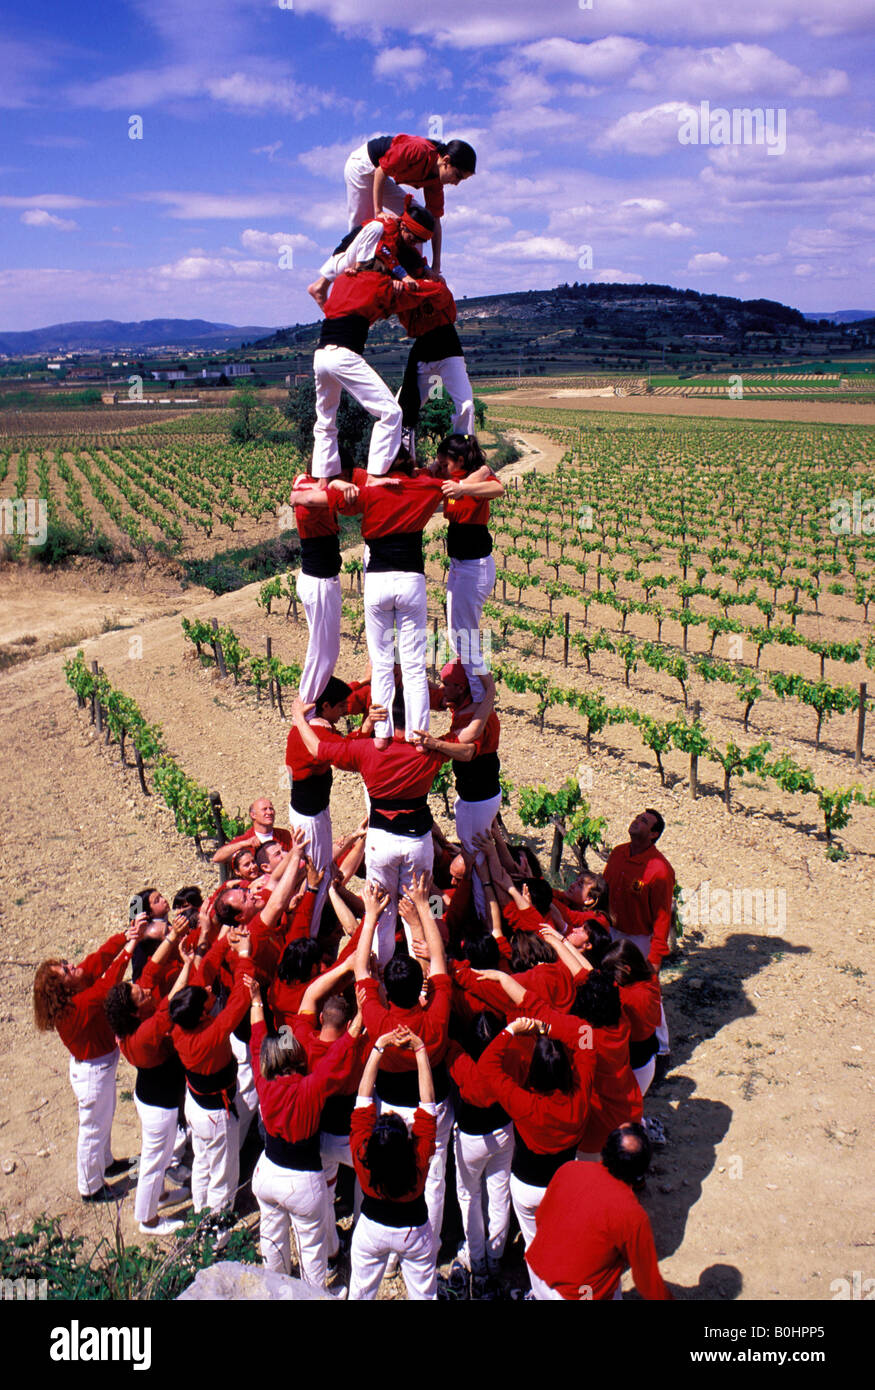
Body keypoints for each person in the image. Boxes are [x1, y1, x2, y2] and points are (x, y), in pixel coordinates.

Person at [290, 688, 491, 962]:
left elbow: (317, 749)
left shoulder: (364, 750)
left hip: (380, 841)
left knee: (381, 912)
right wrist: (487, 694)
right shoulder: (428, 751)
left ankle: (377, 975)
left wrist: (299, 719)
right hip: (418, 842)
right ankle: (424, 977)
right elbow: (472, 733)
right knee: (422, 907)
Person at [249, 979, 360, 1290]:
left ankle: (275, 1288)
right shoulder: (311, 1087)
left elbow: (258, 1038)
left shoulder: (263, 1079)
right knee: (311, 1249)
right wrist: (361, 1015)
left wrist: (256, 1000)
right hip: (302, 1182)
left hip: (267, 1171)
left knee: (272, 1238)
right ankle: (314, 1295)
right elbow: (340, 1053)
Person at [33, 925, 139, 1201]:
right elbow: (107, 985)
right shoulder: (76, 1009)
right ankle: (90, 1187)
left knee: (103, 1118)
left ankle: (105, 1162)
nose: (72, 966)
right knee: (92, 1128)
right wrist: (129, 949)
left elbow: (95, 961)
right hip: (94, 1073)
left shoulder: (72, 992)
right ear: (63, 988)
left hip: (98, 1067)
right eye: (66, 970)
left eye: (66, 963)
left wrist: (124, 937)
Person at [103, 916, 192, 1235]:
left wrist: (174, 937)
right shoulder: (146, 1034)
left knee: (160, 1154)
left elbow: (151, 969)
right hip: (160, 1105)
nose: (142, 989)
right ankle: (148, 1219)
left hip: (151, 1096)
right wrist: (189, 964)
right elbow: (174, 998)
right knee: (156, 1160)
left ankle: (158, 1196)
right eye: (138, 994)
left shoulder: (131, 1025)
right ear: (134, 1010)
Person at [477, 1016, 590, 1265]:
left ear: (533, 1070)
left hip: (527, 1185)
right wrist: (550, 1027)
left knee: (533, 1245)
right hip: (563, 1185)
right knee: (561, 1241)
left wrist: (511, 1030)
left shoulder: (524, 1103)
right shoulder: (580, 1097)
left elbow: (487, 1065)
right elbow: (586, 1035)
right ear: (566, 1068)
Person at [311, 268, 444, 479]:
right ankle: (375, 475)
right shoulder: (378, 281)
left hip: (320, 356)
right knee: (392, 411)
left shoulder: (344, 278)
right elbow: (416, 294)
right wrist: (434, 282)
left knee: (326, 420)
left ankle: (322, 479)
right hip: (343, 355)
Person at [526, 1124, 672, 1301]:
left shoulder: (569, 1169)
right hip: (577, 1294)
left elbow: (541, 1218)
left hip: (536, 1269)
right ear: (641, 1170)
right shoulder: (632, 1214)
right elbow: (646, 1280)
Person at [348, 1024, 438, 1300]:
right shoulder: (418, 1158)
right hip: (414, 1231)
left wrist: (378, 1048)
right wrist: (420, 1051)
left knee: (360, 1292)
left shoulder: (363, 1155)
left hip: (372, 1227)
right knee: (424, 1294)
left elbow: (363, 1100)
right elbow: (428, 1105)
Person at [168, 930, 254, 1214]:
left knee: (203, 1162)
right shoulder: (212, 1034)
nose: (208, 991)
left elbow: (200, 976)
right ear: (202, 1013)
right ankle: (217, 1238)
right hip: (217, 1113)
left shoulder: (180, 1026)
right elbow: (240, 1000)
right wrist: (243, 955)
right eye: (204, 997)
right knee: (224, 1176)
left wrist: (221, 942)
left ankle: (199, 1211)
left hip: (195, 1104)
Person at [434, 435, 504, 700]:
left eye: (444, 462)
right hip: (460, 566)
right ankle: (467, 689)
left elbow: (498, 490)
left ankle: (481, 695)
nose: (440, 466)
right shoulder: (459, 476)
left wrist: (465, 487)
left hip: (475, 568)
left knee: (465, 637)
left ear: (460, 460)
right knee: (457, 635)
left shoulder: (472, 480)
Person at [342, 134, 477, 272]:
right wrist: (379, 211)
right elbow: (381, 171)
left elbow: (435, 220)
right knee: (362, 225)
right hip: (362, 166)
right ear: (446, 161)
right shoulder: (418, 150)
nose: (456, 183)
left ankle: (413, 269)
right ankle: (348, 269)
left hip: (379, 173)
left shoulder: (436, 181)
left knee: (418, 220)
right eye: (458, 176)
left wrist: (436, 265)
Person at [604, 809, 675, 1056]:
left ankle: (662, 1049)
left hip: (640, 940)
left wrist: (655, 958)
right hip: (613, 931)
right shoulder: (617, 854)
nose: (636, 821)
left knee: (648, 994)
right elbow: (606, 891)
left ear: (654, 834)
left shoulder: (660, 870)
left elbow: (663, 917)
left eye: (644, 821)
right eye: (637, 817)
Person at [308, 199, 436, 308]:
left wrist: (427, 269)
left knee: (404, 255)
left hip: (348, 259)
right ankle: (357, 273)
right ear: (403, 226)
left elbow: (413, 255)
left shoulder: (402, 237)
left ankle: (321, 286)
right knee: (376, 227)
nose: (414, 243)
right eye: (413, 239)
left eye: (419, 242)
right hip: (346, 260)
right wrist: (403, 276)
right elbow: (384, 251)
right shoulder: (388, 227)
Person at [398, 287, 477, 450]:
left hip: (448, 351)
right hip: (423, 353)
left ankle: (465, 454)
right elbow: (411, 327)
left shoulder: (434, 283)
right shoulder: (402, 291)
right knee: (397, 410)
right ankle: (402, 457)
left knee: (466, 406)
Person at [214, 798, 293, 865]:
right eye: (264, 809)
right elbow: (217, 857)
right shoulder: (246, 839)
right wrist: (244, 844)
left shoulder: (284, 835)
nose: (269, 812)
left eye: (271, 809)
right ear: (253, 815)